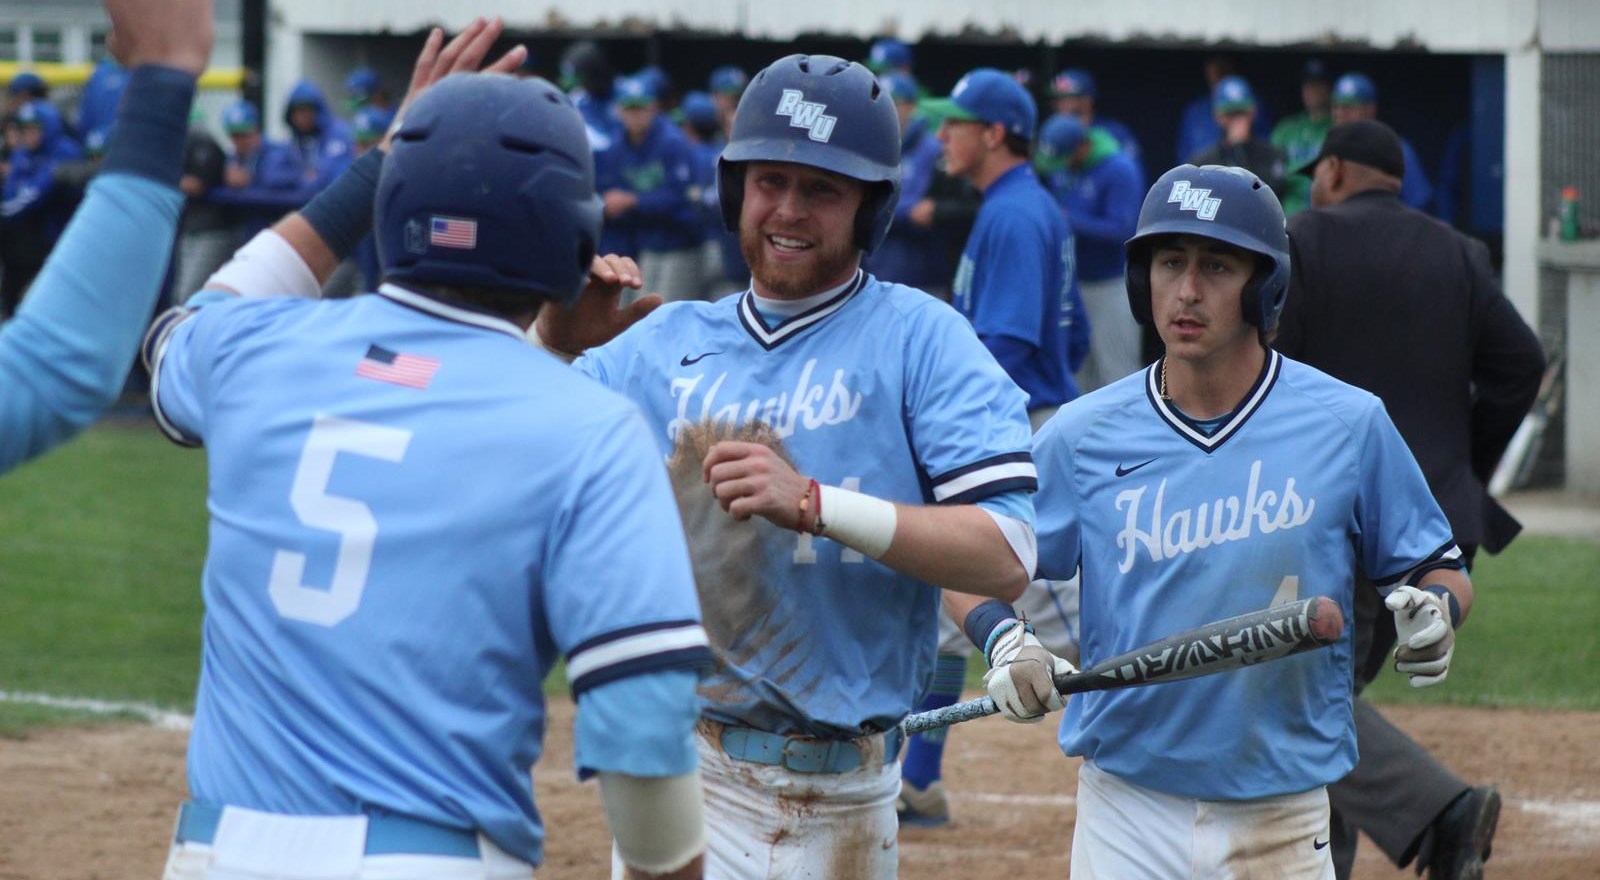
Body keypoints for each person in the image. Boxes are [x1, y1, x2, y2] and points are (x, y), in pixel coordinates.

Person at [143, 20, 711, 880]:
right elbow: (641, 714)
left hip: (220, 852)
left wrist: (373, 164)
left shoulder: (255, 351)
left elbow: (185, 329)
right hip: (434, 859)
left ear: (392, 205)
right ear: (574, 239)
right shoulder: (588, 428)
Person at [534, 52, 1038, 878]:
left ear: (870, 208)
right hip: (684, 777)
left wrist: (814, 501)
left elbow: (1007, 553)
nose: (789, 210)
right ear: (737, 189)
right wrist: (552, 343)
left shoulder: (922, 338)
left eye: (823, 190)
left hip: (843, 803)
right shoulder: (661, 340)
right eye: (770, 181)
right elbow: (502, 449)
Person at [964, 162, 1476, 879]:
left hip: (1286, 816)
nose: (1188, 290)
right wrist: (1003, 639)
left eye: (1217, 265)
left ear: (1264, 286)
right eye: (1170, 263)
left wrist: (1439, 610)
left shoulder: (1348, 422)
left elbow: (1436, 567)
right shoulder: (1083, 435)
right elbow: (966, 561)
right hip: (1125, 812)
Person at [1277, 119, 1544, 880]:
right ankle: (1330, 857)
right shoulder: (1457, 251)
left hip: (1334, 514)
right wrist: (1463, 463)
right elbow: (1520, 363)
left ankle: (1440, 809)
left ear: (1332, 171)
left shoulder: (1304, 241)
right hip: (1434, 527)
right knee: (1322, 692)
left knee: (1293, 694)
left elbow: (1273, 375)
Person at [894, 69, 1088, 828]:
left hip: (1019, 432)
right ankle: (919, 781)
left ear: (995, 134)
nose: (941, 135)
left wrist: (939, 428)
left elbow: (1004, 345)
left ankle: (1179, 748)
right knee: (946, 600)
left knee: (1088, 626)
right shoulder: (1015, 207)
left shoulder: (1012, 216)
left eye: (955, 122)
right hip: (1022, 422)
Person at [0, 0, 210, 474]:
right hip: (78, 256)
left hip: (69, 252)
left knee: (160, 314)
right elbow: (47, 375)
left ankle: (151, 391)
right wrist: (165, 73)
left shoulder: (58, 153)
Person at [1036, 112, 1144, 393]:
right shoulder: (1062, 169)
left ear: (1082, 146)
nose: (1060, 167)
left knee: (1118, 375)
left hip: (1111, 284)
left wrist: (1066, 219)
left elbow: (1124, 231)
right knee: (1077, 376)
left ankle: (1126, 438)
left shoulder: (1118, 168)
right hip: (1074, 284)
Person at [595, 73, 701, 302]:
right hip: (645, 244)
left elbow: (680, 197)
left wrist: (632, 201)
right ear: (620, 110)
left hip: (680, 243)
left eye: (640, 108)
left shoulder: (672, 141)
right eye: (629, 108)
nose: (635, 114)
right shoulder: (617, 144)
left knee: (664, 313)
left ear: (653, 107)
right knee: (642, 315)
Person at [863, 72, 950, 295]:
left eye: (893, 102)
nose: (884, 110)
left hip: (924, 280)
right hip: (873, 278)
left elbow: (929, 212)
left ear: (910, 107)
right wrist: (904, 210)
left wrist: (878, 208)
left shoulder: (933, 149)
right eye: (878, 102)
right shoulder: (866, 146)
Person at [2, 99, 87, 318]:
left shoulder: (65, 151)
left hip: (62, 241)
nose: (29, 135)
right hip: (32, 241)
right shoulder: (24, 152)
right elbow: (12, 192)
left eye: (35, 129)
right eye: (25, 129)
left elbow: (32, 197)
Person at [1331, 73, 1432, 212]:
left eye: (1349, 108)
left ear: (1370, 110)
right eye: (1337, 107)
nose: (1341, 114)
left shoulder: (1397, 150)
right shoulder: (1328, 152)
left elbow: (1418, 204)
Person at [1186, 75, 1287, 199]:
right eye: (1230, 114)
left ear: (1253, 112)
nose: (1237, 120)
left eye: (1241, 112)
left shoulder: (1272, 155)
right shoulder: (1202, 162)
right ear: (1218, 117)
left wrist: (1240, 150)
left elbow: (1271, 194)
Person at [1047, 67, 1145, 183]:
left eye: (1066, 98)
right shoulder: (1052, 134)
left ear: (1086, 100)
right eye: (1056, 99)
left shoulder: (1115, 133)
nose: (1059, 104)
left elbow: (1132, 180)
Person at [1270, 59, 1333, 215]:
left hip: (1326, 214)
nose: (1312, 90)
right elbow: (1271, 176)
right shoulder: (1285, 129)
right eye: (1308, 84)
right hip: (1287, 215)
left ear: (1328, 88)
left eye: (1318, 84)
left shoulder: (1338, 129)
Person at [282, 78, 354, 193]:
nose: (302, 117)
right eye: (297, 112)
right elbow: (272, 175)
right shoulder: (295, 140)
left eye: (307, 111)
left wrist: (310, 179)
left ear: (318, 110)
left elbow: (335, 177)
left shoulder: (338, 133)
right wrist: (301, 177)